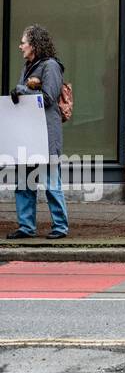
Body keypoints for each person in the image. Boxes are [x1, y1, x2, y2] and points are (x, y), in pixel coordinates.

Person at [7, 25, 68, 240]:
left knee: (52, 184)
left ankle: (60, 227)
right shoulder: (29, 66)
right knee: (24, 183)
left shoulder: (51, 66)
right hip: (29, 134)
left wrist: (22, 90)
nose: (20, 46)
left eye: (23, 42)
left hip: (46, 135)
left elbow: (49, 97)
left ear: (34, 44)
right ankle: (26, 227)